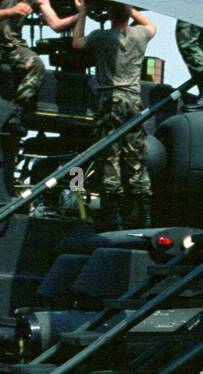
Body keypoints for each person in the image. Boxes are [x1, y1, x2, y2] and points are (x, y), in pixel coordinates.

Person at [72, 1, 156, 229]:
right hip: (133, 102)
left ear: (108, 13)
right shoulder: (140, 35)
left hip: (108, 100)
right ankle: (144, 217)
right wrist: (130, 7)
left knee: (109, 157)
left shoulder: (100, 37)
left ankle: (114, 219)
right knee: (135, 157)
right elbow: (151, 25)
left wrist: (82, 13)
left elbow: (77, 43)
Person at [0, 0, 78, 136]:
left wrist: (82, 13)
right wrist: (11, 11)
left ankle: (18, 113)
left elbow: (56, 25)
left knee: (36, 64)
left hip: (14, 45)